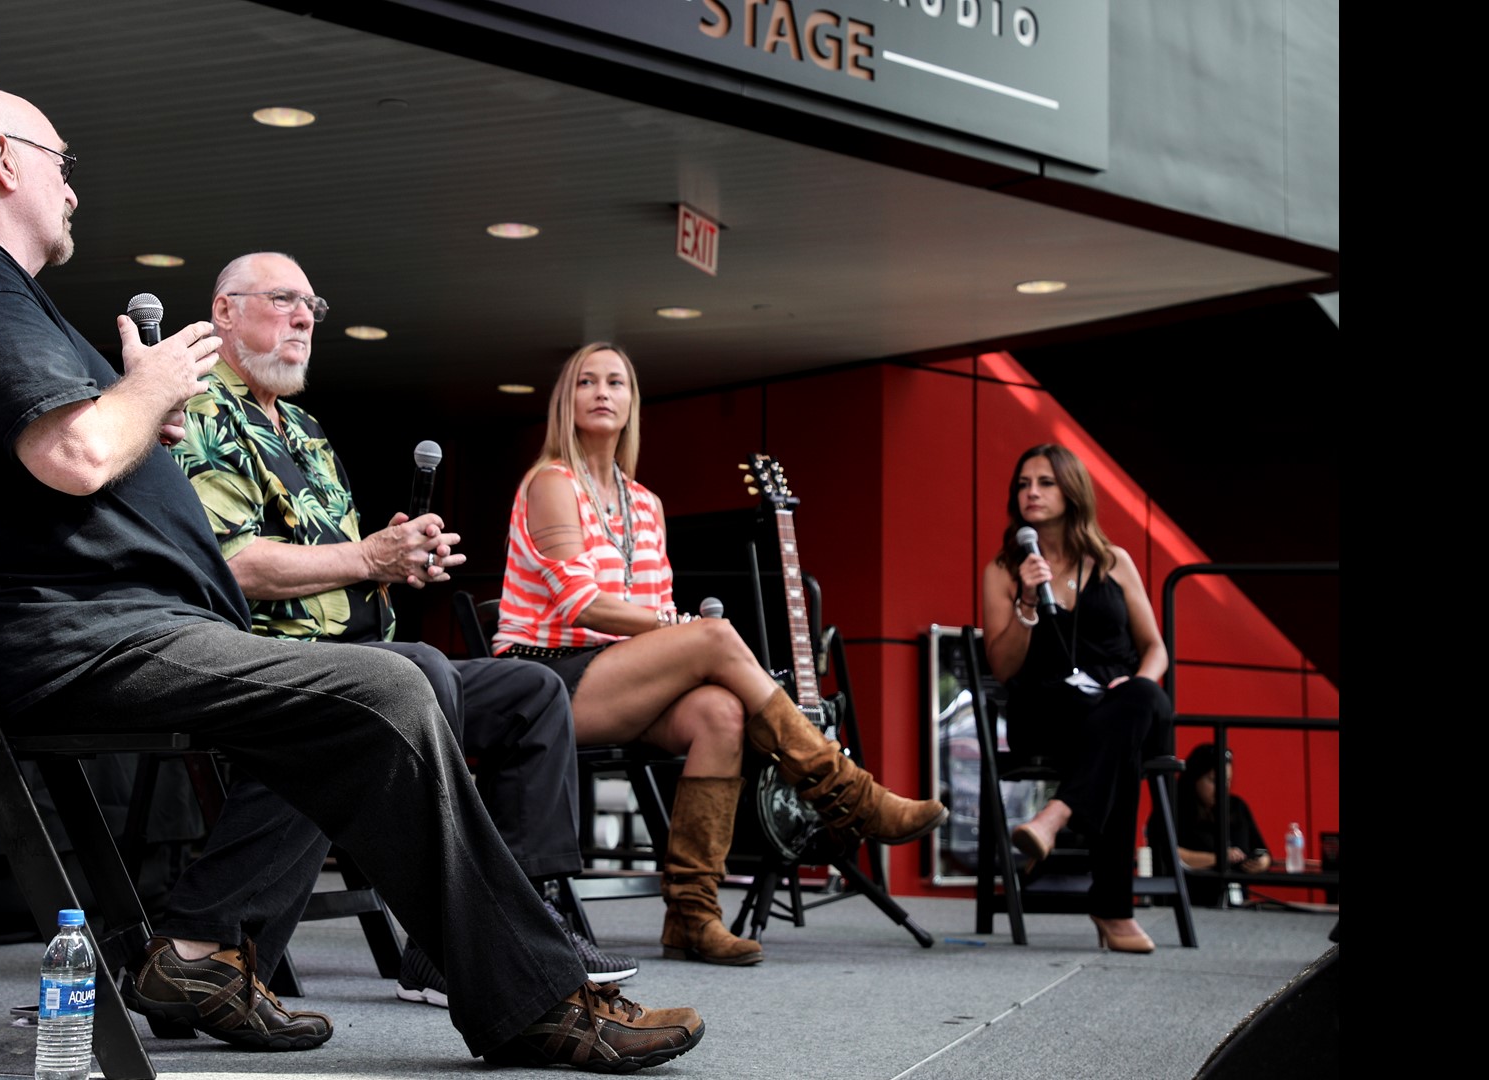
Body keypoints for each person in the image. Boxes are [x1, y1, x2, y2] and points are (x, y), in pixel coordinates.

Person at [0, 83, 702, 1070]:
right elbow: (75, 458)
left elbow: (70, 456)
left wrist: (147, 421)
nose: (73, 192)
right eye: (63, 163)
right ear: (5, 161)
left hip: (114, 629)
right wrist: (147, 393)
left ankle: (202, 951)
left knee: (394, 680)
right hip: (80, 640)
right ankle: (533, 997)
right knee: (386, 684)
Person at [165, 251, 640, 1005]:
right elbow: (237, 566)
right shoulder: (196, 409)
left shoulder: (307, 431)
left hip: (363, 656)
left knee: (533, 691)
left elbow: (333, 564)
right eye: (284, 300)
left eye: (311, 308)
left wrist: (391, 561)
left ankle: (482, 928)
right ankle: (479, 940)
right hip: (267, 664)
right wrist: (366, 555)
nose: (302, 320)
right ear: (224, 311)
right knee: (417, 670)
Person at [492, 342, 948, 967]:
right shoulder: (550, 483)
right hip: (541, 677)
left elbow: (656, 610)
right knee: (712, 636)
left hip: (619, 678)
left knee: (720, 713)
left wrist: (673, 631)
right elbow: (581, 605)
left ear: (632, 403)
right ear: (564, 402)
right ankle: (851, 796)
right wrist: (677, 630)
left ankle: (692, 915)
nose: (602, 392)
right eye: (586, 382)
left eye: (617, 383)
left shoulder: (645, 504)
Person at [981, 442, 1173, 954]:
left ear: (1072, 490)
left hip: (1121, 700)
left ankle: (1056, 815)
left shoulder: (1115, 562)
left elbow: (1155, 650)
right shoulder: (1003, 569)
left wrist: (1138, 684)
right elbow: (1003, 667)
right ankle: (1113, 910)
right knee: (1120, 744)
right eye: (1023, 484)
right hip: (1048, 709)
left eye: (1044, 482)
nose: (1031, 493)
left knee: (1134, 704)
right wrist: (1026, 599)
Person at [1147, 743, 1270, 906]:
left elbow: (1263, 851)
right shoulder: (1174, 807)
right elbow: (1165, 852)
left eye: (1227, 781)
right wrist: (1219, 858)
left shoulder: (1237, 807)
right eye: (1213, 780)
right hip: (1191, 900)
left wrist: (1261, 862)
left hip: (1238, 901)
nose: (1221, 788)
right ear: (1195, 777)